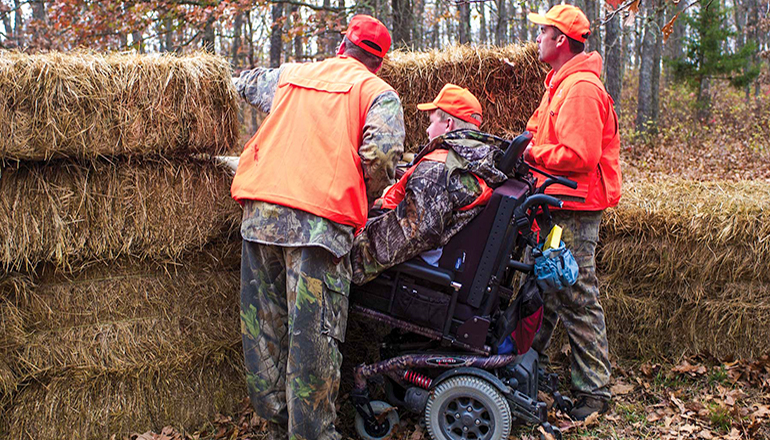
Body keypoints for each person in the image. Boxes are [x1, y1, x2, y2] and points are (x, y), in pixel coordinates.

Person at [230, 15, 405, 440]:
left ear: (342, 45)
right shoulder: (377, 92)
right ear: (378, 63)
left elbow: (242, 83)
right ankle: (311, 434)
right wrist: (364, 191)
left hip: (261, 216)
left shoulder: (291, 75)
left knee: (263, 332)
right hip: (318, 226)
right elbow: (382, 157)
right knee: (315, 340)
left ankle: (274, 426)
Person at [521, 4, 622, 421]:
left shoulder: (580, 88)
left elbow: (579, 155)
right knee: (542, 288)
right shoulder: (559, 85)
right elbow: (533, 132)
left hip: (574, 209)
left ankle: (595, 393)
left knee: (575, 294)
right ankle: (524, 367)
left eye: (543, 32)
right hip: (555, 202)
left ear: (561, 40)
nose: (537, 39)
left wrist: (529, 152)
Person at [351, 84, 507, 285]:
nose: (426, 129)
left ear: (448, 124)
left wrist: (352, 255)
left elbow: (410, 233)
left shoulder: (437, 171)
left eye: (431, 122)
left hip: (410, 277)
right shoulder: (476, 162)